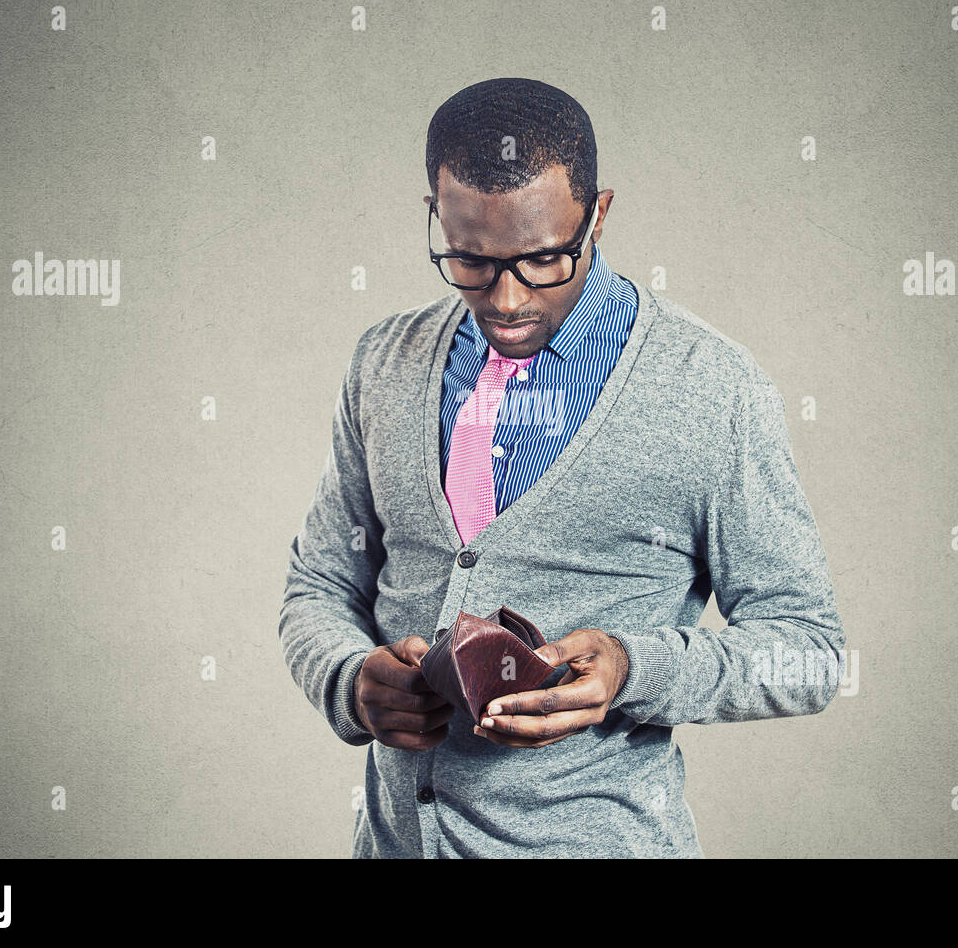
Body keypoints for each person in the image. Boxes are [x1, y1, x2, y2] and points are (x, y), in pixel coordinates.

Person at [279, 77, 845, 858]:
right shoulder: (384, 361)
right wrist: (348, 680)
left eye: (544, 257)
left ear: (598, 214)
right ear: (435, 215)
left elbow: (810, 650)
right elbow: (318, 585)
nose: (508, 299)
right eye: (470, 259)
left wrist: (632, 667)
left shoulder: (714, 389)